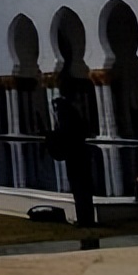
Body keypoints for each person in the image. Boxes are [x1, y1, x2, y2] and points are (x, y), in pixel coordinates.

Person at [47, 96, 98, 227]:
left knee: (80, 190)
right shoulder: (76, 119)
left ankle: (84, 220)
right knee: (84, 191)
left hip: (75, 158)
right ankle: (87, 219)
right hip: (81, 157)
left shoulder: (67, 121)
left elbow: (64, 137)